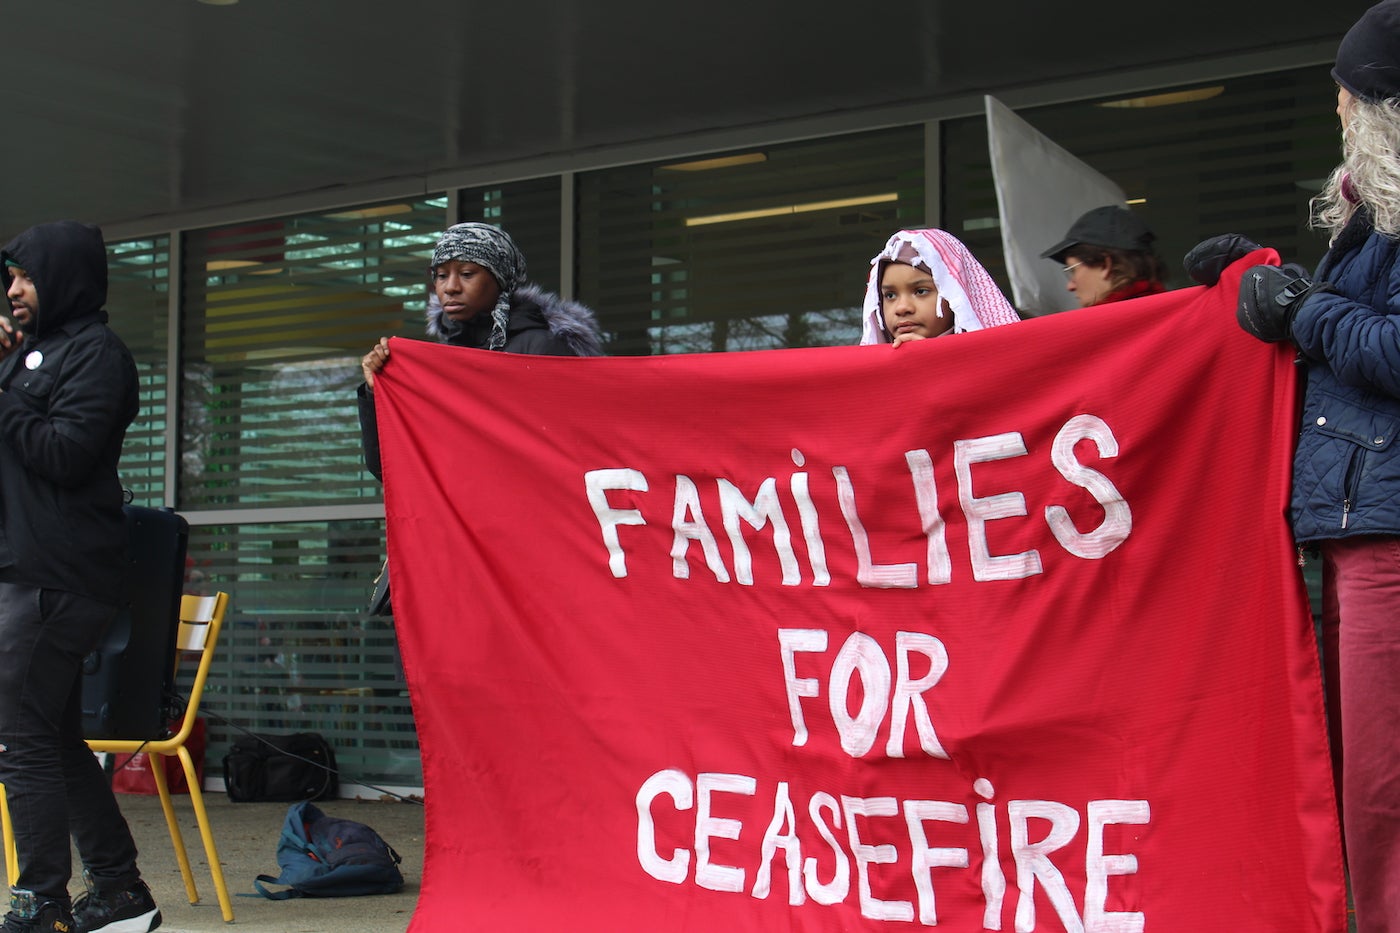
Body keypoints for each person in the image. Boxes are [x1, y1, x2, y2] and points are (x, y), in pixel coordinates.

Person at [1185, 3, 1400, 929]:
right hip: (1357, 533)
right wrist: (1255, 281)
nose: (1337, 109)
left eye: (1348, 93)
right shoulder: (1374, 221)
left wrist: (1302, 308)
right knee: (1356, 788)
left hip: (1388, 543)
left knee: (1382, 798)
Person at [0, 222, 159, 933]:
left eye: (25, 276)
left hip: (56, 575)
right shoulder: (28, 355)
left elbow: (64, 454)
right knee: (53, 740)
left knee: (19, 739)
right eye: (10, 277)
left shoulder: (98, 354)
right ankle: (120, 892)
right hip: (28, 570)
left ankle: (41, 903)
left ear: (63, 277)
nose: (13, 289)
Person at [358, 222, 604, 479]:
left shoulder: (541, 348)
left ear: (500, 279)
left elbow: (572, 450)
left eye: (467, 274)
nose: (450, 287)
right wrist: (377, 391)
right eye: (441, 276)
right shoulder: (440, 362)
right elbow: (390, 467)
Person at [858, 228, 1021, 346]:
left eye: (921, 291)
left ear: (957, 296)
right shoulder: (875, 375)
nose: (902, 308)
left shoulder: (995, 366)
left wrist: (933, 362)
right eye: (890, 295)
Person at [1040, 205, 1168, 308]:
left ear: (1105, 265)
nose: (1070, 286)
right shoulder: (1172, 316)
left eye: (1073, 270)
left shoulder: (1100, 328)